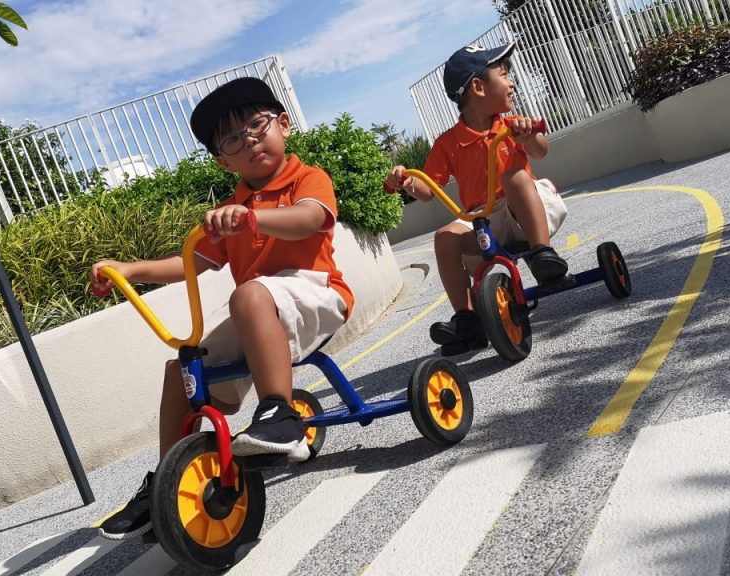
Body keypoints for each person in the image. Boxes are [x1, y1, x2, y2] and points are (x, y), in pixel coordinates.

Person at [88, 77, 353, 540]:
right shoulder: (231, 209)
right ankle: (167, 480)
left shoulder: (307, 178)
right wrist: (130, 269)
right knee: (183, 369)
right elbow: (191, 262)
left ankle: (281, 415)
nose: (248, 139)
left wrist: (253, 218)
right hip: (259, 308)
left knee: (248, 294)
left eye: (257, 125)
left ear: (284, 125)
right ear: (222, 160)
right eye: (232, 139)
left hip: (317, 292)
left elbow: (309, 218)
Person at [383, 41, 567, 356]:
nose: (512, 82)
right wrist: (408, 181)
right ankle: (467, 319)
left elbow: (540, 151)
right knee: (445, 237)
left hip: (528, 210)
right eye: (504, 75)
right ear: (479, 88)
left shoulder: (512, 125)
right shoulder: (448, 143)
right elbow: (428, 190)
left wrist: (529, 135)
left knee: (513, 177)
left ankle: (543, 255)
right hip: (484, 223)